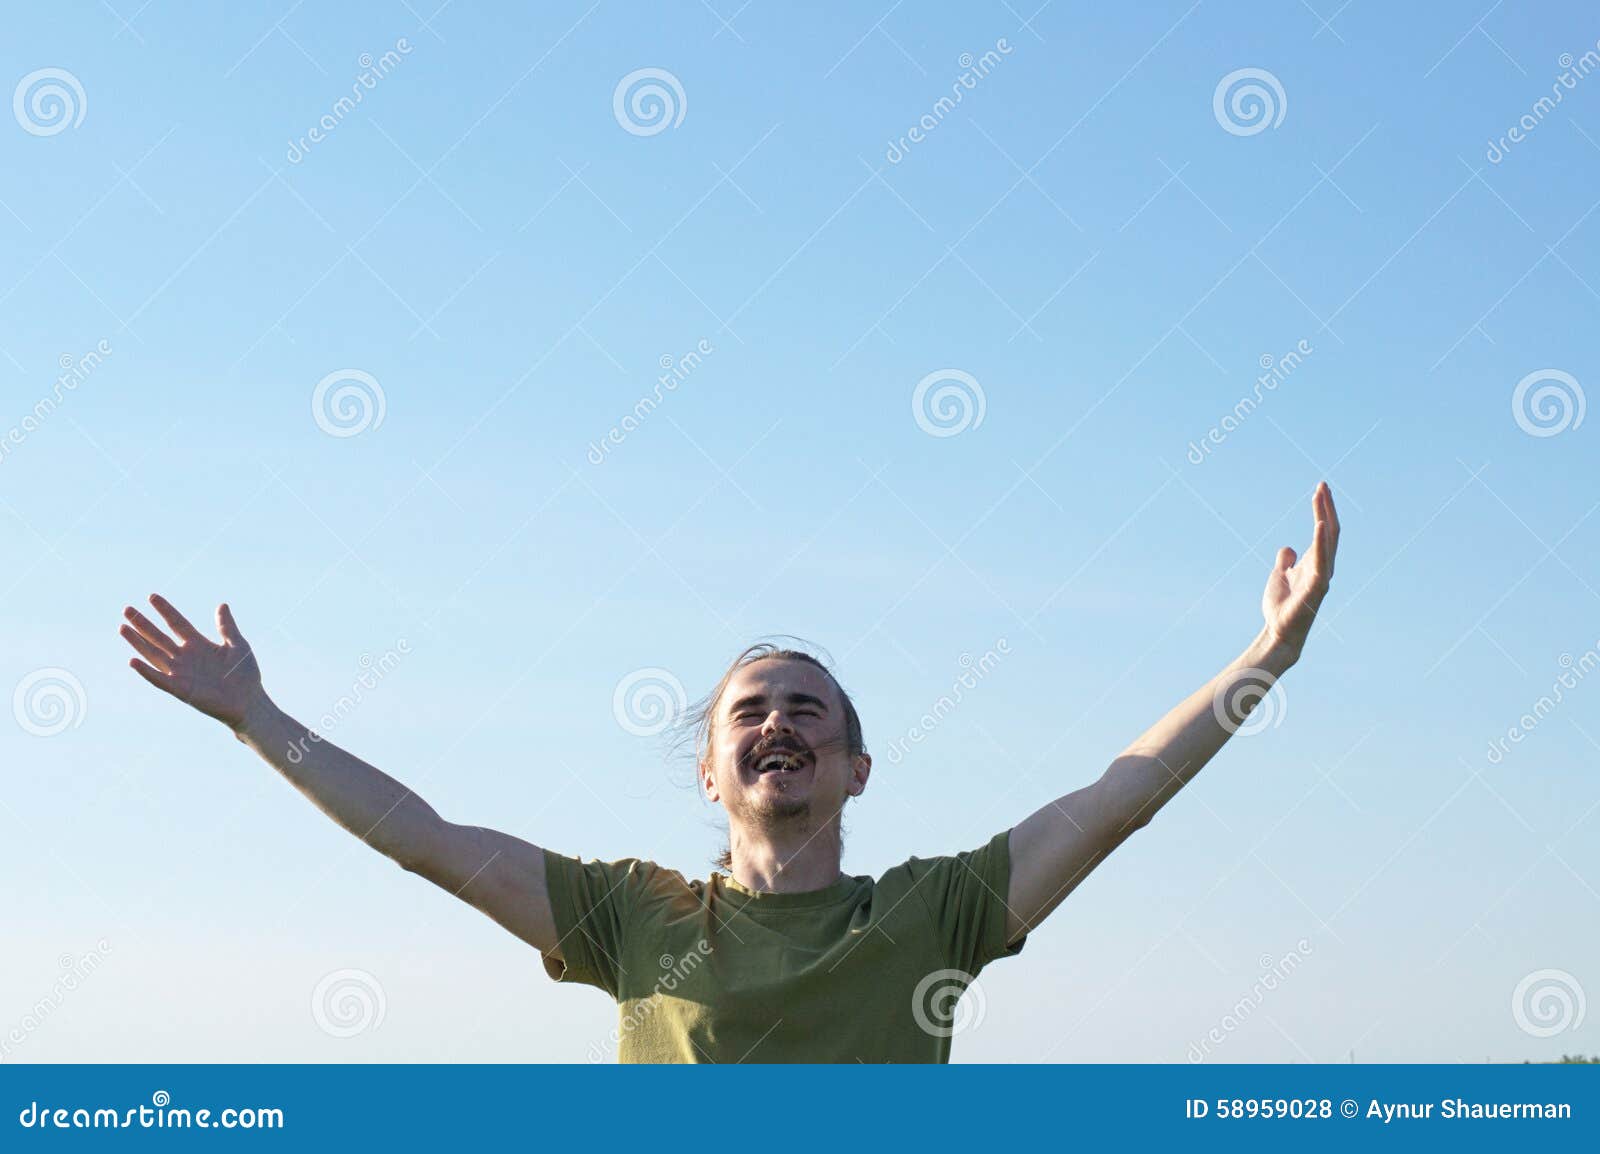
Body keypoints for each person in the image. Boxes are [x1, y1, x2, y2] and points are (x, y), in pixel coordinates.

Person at [119, 482, 1340, 1062]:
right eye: (748, 710)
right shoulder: (630, 915)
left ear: (856, 767)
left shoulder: (935, 913)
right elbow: (419, 832)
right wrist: (255, 717)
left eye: (807, 708)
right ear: (710, 772)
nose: (777, 722)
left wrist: (1264, 654)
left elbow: (1120, 794)